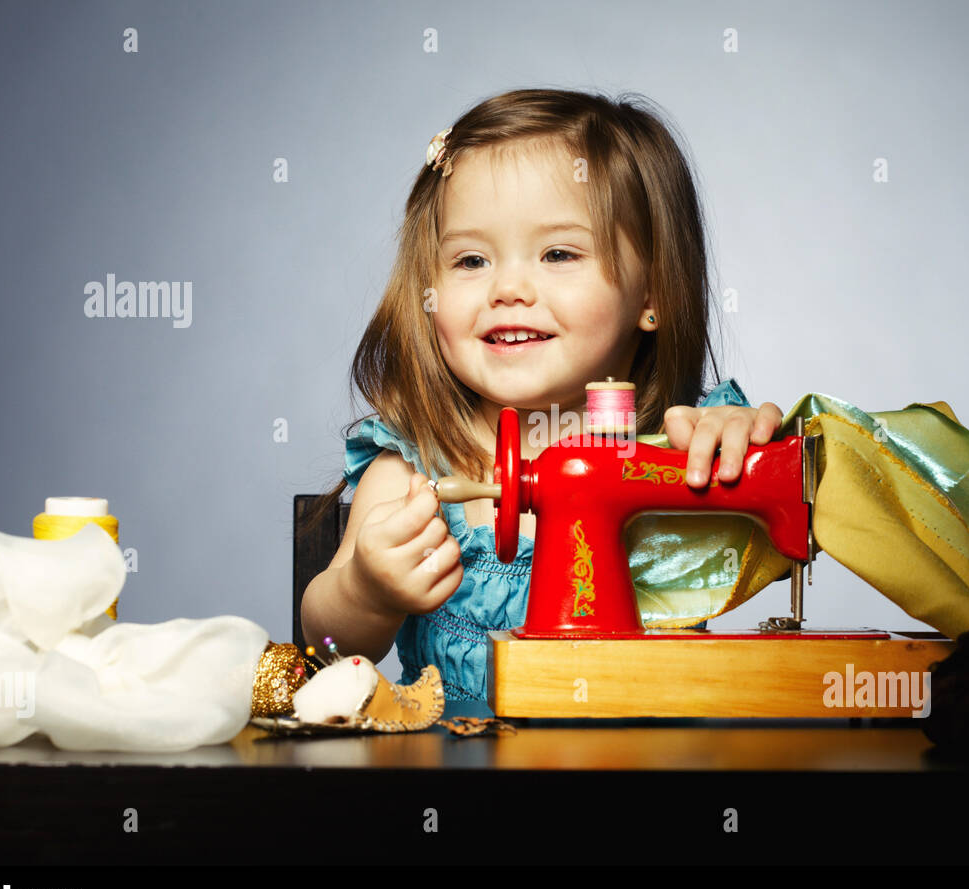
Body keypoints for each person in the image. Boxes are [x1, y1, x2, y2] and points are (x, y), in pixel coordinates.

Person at [300, 89, 782, 701]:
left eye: (558, 253)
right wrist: (364, 593)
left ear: (653, 293)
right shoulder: (417, 471)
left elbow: (796, 498)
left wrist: (746, 450)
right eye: (471, 260)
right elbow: (327, 646)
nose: (507, 288)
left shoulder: (685, 451)